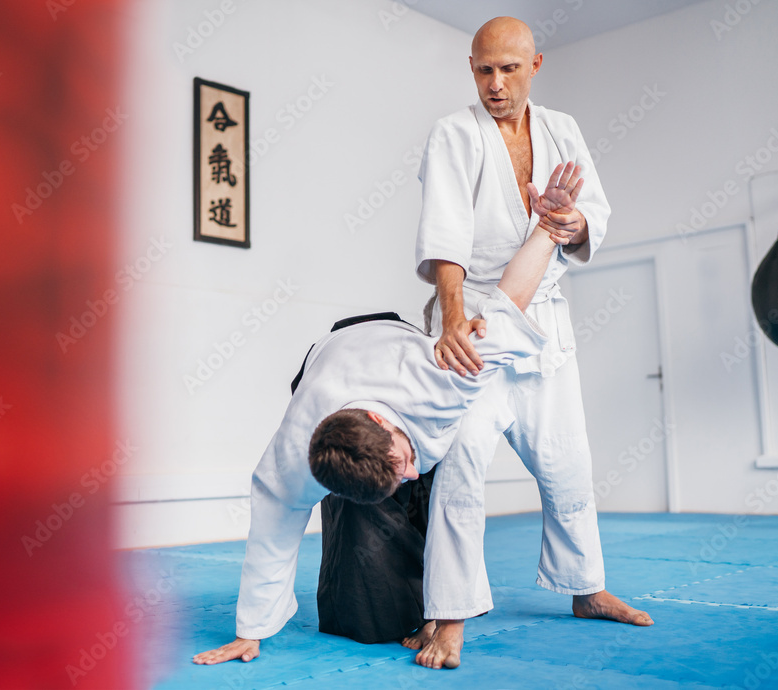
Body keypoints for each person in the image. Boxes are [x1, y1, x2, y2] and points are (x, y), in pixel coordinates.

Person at [193, 177, 576, 667]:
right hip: (323, 366)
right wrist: (251, 632)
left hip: (392, 345)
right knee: (372, 596)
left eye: (405, 459)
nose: (412, 473)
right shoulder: (290, 464)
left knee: (433, 483)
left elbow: (508, 305)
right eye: (404, 468)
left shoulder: (443, 377)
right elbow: (271, 535)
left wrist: (547, 225)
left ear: (384, 422)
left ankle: (436, 606)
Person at [409, 16, 652, 669]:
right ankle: (450, 610)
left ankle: (585, 587)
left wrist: (569, 221)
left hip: (544, 322)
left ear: (535, 65)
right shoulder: (453, 135)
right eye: (483, 69)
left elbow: (589, 219)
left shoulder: (562, 130)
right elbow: (445, 236)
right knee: (460, 468)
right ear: (471, 66)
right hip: (477, 321)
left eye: (509, 69)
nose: (495, 83)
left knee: (568, 462)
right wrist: (453, 320)